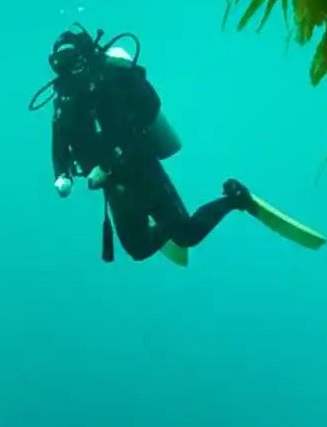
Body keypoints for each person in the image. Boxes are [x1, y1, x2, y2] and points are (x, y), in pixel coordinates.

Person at [29, 24, 264, 263]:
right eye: (59, 64)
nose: (66, 70)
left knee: (186, 235)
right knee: (138, 250)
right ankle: (168, 226)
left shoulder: (111, 83)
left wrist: (108, 167)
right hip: (113, 185)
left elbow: (135, 127)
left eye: (69, 61)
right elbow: (59, 139)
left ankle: (234, 198)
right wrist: (62, 175)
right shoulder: (64, 98)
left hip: (143, 170)